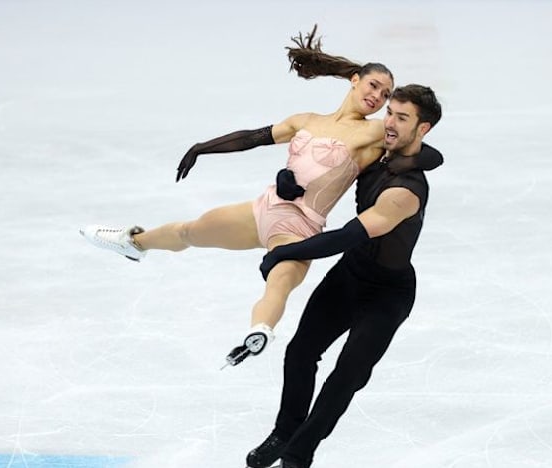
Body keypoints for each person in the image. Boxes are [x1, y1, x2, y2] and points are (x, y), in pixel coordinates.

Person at [80, 27, 441, 366]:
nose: (377, 98)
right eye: (374, 86)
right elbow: (254, 137)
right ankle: (133, 242)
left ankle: (259, 332)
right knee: (190, 231)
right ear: (354, 80)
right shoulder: (306, 119)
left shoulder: (376, 132)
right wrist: (202, 147)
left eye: (384, 95)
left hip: (300, 226)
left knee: (280, 281)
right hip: (264, 209)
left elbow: (427, 153)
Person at [245, 84, 443, 468]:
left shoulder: (407, 191)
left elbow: (350, 233)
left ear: (423, 129)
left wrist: (286, 252)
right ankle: (284, 433)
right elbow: (323, 159)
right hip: (350, 274)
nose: (390, 123)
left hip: (388, 293)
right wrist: (288, 175)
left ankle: (298, 455)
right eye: (390, 113)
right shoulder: (377, 156)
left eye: (403, 118)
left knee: (347, 375)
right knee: (300, 351)